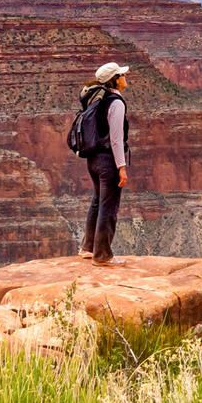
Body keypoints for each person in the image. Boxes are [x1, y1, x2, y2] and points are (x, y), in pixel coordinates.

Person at [79, 62, 131, 265]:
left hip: (92, 159)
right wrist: (122, 167)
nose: (126, 77)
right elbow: (116, 139)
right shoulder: (115, 102)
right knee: (108, 207)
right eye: (122, 75)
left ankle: (88, 248)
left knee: (97, 202)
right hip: (108, 162)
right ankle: (102, 256)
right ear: (116, 79)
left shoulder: (96, 99)